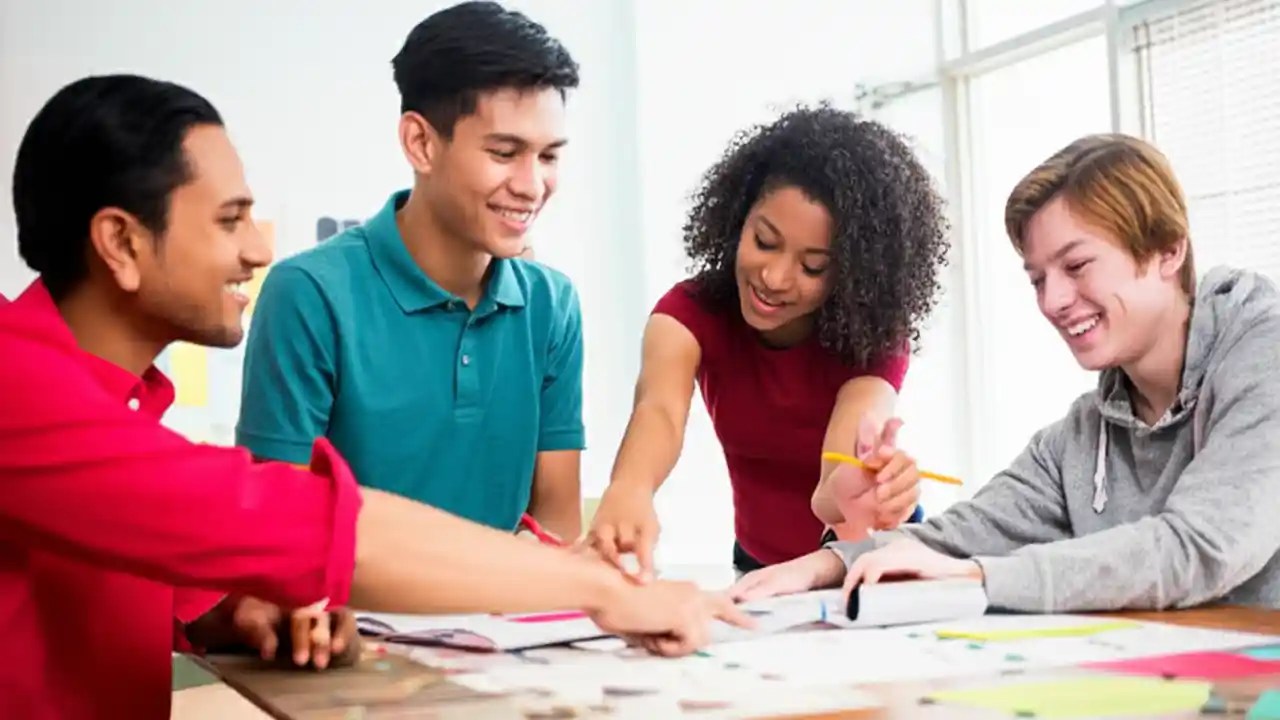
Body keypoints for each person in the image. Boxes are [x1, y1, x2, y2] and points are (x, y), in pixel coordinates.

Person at [0, 74, 751, 720]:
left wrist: (241, 611)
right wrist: (604, 590)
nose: (259, 249)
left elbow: (162, 569)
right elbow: (297, 518)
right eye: (230, 221)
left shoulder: (117, 404)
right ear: (122, 244)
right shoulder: (15, 386)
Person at [727, 133, 1280, 612]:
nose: (1054, 301)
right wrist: (820, 567)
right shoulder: (1086, 432)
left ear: (1167, 250)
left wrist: (982, 578)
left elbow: (1203, 545)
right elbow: (962, 536)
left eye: (1077, 265)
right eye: (1038, 278)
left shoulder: (1263, 354)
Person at [237, 1, 586, 542]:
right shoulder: (308, 295)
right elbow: (279, 534)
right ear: (420, 143)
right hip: (352, 623)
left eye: (548, 157)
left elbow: (556, 527)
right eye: (504, 152)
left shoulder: (552, 305)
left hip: (509, 620)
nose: (531, 185)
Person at [585, 105, 952, 578]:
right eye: (764, 241)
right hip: (757, 565)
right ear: (738, 220)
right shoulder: (689, 313)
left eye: (813, 267)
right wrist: (629, 490)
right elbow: (660, 411)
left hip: (861, 563)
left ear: (852, 275)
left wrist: (861, 489)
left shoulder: (872, 341)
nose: (775, 278)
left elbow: (831, 491)